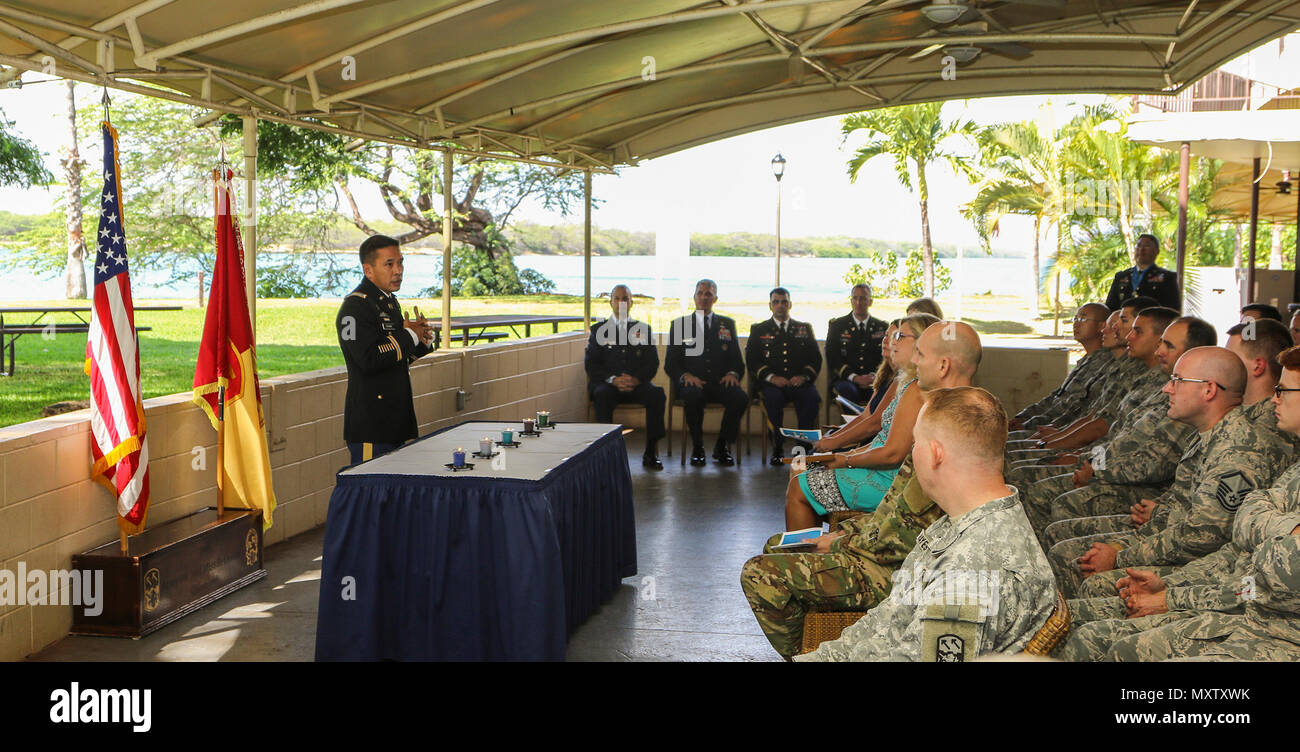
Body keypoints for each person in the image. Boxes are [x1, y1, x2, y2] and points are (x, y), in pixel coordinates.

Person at [740, 320, 981, 659]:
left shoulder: (947, 430)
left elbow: (905, 533)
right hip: (894, 548)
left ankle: (813, 656)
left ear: (943, 365)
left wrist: (840, 539)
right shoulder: (958, 412)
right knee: (779, 546)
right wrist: (843, 535)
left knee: (760, 572)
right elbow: (897, 511)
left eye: (921, 354)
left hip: (904, 572)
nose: (914, 361)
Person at [1059, 344, 1300, 661]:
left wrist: (1168, 593)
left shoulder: (1241, 450)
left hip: (1268, 626)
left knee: (1103, 641)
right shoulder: (1292, 470)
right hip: (1241, 602)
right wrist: (1167, 585)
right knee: (1076, 621)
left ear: (1209, 390)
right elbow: (1240, 540)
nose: (1273, 399)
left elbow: (1255, 574)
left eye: (1282, 390)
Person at [795, 386, 1057, 662]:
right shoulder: (961, 521)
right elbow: (887, 619)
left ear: (935, 453)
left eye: (915, 442)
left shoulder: (970, 574)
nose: (912, 452)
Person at [1010, 315, 1213, 535]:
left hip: (1141, 487)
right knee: (1027, 476)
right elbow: (1116, 436)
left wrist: (1094, 469)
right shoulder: (1160, 384)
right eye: (1162, 342)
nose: (1159, 351)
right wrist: (1086, 460)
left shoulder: (1188, 401)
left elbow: (1153, 465)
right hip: (1110, 467)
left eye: (1168, 345)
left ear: (1192, 354)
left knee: (1047, 493)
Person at [783, 313, 937, 529]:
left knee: (799, 486)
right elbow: (877, 433)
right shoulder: (907, 381)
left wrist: (844, 459)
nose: (893, 341)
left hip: (889, 481)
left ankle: (805, 555)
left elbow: (892, 453)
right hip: (881, 469)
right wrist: (842, 454)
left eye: (901, 336)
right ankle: (815, 547)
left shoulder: (915, 388)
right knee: (803, 469)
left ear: (921, 343)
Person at [336, 234, 434, 465]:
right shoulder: (355, 308)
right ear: (368, 270)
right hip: (372, 425)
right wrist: (409, 334)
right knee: (369, 497)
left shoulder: (388, 302)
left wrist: (421, 342)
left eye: (400, 263)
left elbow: (393, 360)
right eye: (389, 264)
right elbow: (368, 360)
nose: (398, 270)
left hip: (395, 421)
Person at [665, 279, 747, 466]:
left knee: (740, 398)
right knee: (692, 397)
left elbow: (737, 360)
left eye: (708, 294)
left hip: (720, 383)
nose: (703, 297)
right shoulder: (680, 325)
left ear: (715, 299)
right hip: (693, 384)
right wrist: (686, 376)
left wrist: (733, 374)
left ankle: (722, 445)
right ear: (694, 297)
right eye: (700, 293)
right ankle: (698, 446)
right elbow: (671, 363)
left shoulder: (727, 324)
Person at [585, 284, 666, 469]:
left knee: (657, 394)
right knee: (602, 395)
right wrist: (613, 379)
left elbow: (652, 363)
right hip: (608, 385)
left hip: (636, 385)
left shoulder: (643, 329)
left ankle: (651, 452)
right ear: (610, 302)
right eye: (617, 298)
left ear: (632, 302)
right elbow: (591, 364)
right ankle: (606, 453)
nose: (621, 302)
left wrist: (635, 379)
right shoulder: (599, 330)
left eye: (625, 298)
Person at [746, 288, 822, 465]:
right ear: (770, 306)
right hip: (772, 384)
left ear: (790, 304)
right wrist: (771, 377)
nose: (780, 305)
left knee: (811, 398)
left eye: (784, 302)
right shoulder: (759, 329)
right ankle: (777, 447)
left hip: (799, 383)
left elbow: (815, 358)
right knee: (772, 400)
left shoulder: (804, 328)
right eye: (776, 302)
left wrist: (803, 377)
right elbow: (752, 360)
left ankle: (801, 449)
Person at [1008, 303, 1112, 432]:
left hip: (1062, 430)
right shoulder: (1087, 360)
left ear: (1102, 326)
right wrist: (1023, 417)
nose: (1076, 324)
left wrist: (1029, 425)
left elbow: (1072, 408)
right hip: (1048, 426)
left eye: (1083, 319)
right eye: (1075, 318)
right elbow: (1056, 397)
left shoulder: (1104, 364)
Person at [826, 284, 889, 408]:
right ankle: (851, 426)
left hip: (875, 379)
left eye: (863, 298)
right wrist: (854, 377)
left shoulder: (882, 327)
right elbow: (832, 357)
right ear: (851, 301)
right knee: (848, 392)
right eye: (855, 298)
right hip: (846, 379)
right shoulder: (837, 326)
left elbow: (886, 358)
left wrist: (873, 375)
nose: (859, 302)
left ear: (870, 301)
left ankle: (875, 426)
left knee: (886, 392)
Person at [1103, 233, 1180, 311]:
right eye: (1138, 245)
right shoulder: (1121, 276)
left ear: (1157, 251)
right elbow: (1110, 307)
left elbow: (1172, 310)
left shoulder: (1167, 277)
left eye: (1147, 246)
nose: (1141, 249)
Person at [867, 321, 899, 413]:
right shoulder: (885, 372)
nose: (885, 340)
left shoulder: (901, 376)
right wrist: (841, 428)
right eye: (886, 335)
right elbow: (866, 414)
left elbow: (875, 421)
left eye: (893, 337)